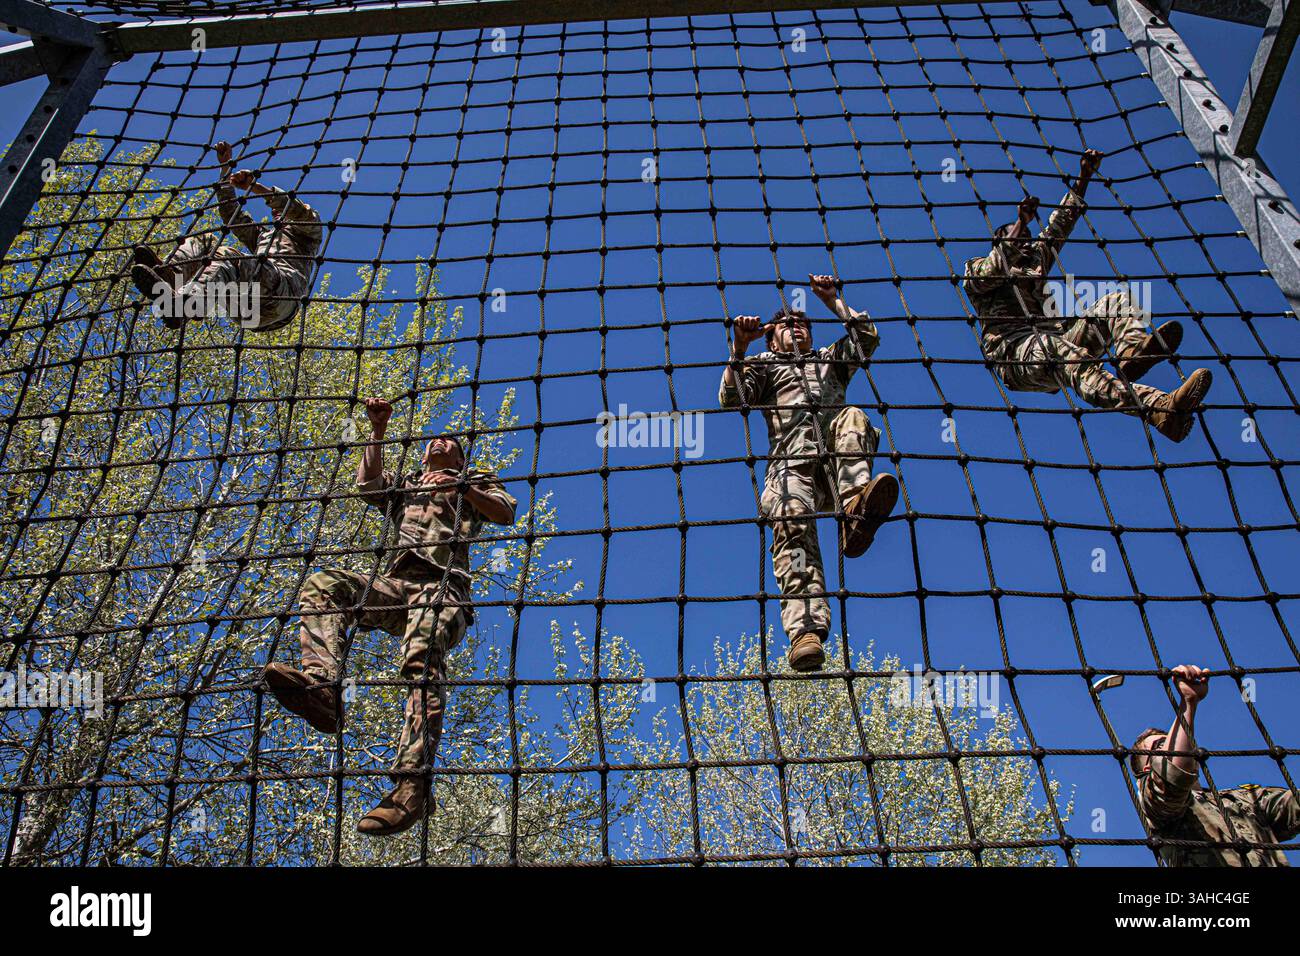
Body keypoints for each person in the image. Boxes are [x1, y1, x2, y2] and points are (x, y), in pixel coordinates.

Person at [262, 397, 517, 836]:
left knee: (421, 664)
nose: (440, 440)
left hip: (442, 590)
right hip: (397, 586)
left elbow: (506, 512)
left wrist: (461, 487)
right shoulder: (412, 483)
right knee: (326, 585)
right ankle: (322, 685)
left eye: (450, 441)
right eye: (434, 440)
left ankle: (411, 785)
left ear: (460, 456)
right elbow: (369, 485)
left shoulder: (472, 479)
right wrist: (377, 431)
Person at [964, 149, 1212, 442]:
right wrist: (1020, 225)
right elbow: (989, 272)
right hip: (1015, 356)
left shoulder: (1035, 259)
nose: (1028, 244)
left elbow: (1060, 224)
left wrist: (1084, 176)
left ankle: (1131, 354)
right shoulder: (976, 268)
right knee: (1055, 348)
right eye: (1020, 239)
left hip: (1057, 337)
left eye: (1029, 240)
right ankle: (1159, 408)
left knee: (1118, 300)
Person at [720, 272, 898, 673]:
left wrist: (834, 301)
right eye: (787, 325)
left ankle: (855, 509)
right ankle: (806, 632)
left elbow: (866, 339)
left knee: (853, 415)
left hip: (836, 463)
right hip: (791, 467)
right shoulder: (765, 364)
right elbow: (732, 398)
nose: (797, 328)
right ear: (772, 337)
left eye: (803, 324)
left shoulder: (828, 362)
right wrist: (740, 347)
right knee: (788, 519)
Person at [131, 140, 322, 332]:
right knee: (206, 242)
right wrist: (225, 170)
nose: (275, 213)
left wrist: (255, 187)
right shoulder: (264, 239)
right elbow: (231, 215)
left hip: (282, 296)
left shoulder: (308, 232)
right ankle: (172, 275)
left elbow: (295, 209)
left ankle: (186, 303)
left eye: (278, 209)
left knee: (229, 256)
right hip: (248, 310)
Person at [1131, 663, 1298, 866]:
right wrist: (1188, 704)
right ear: (1147, 770)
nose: (1173, 743)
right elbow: (1172, 778)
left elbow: (1293, 805)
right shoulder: (1156, 809)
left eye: (1172, 739)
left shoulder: (1241, 800)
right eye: (1160, 745)